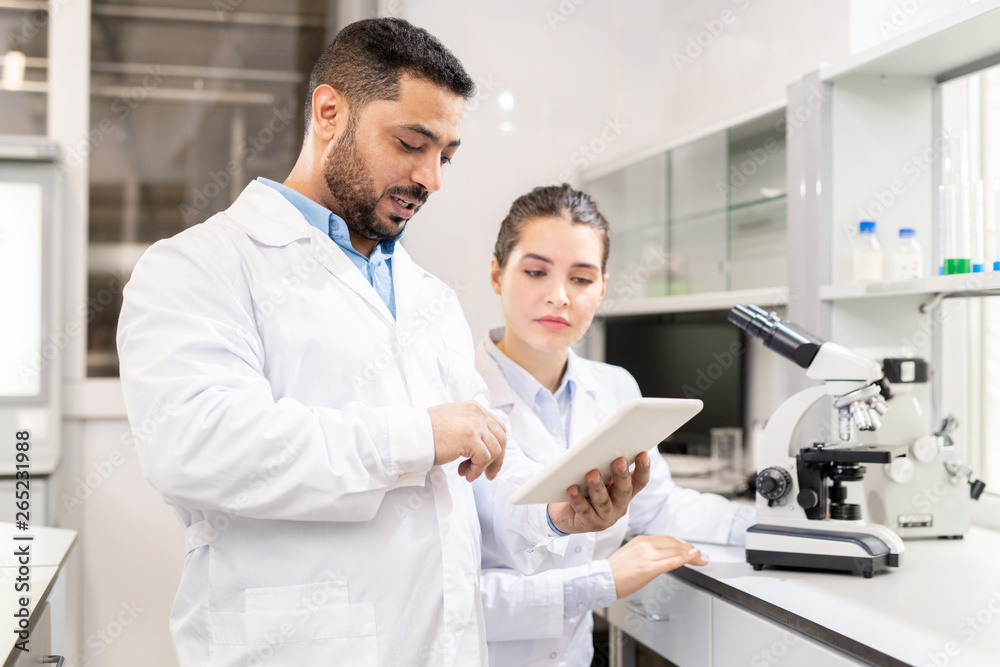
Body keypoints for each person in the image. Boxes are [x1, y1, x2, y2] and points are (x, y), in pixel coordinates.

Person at [116, 19, 650, 667]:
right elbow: (196, 446)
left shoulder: (431, 298)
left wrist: (553, 514)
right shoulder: (200, 266)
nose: (431, 178)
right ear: (329, 112)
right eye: (411, 143)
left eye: (445, 155)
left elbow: (468, 478)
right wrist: (418, 435)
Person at [477, 184, 756, 666]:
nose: (559, 297)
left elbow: (660, 506)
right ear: (498, 274)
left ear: (603, 287)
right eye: (536, 272)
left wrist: (771, 528)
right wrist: (600, 582)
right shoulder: (457, 396)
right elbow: (447, 595)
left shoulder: (614, 388)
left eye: (581, 279)